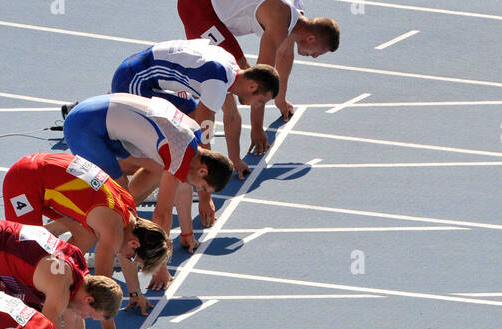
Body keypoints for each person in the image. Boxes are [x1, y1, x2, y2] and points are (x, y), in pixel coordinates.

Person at [1, 152, 170, 329]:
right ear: (135, 243)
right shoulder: (112, 229)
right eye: (135, 259)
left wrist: (135, 293)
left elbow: (87, 209)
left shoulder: (128, 212)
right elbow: (102, 287)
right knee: (28, 260)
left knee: (86, 236)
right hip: (25, 180)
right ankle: (29, 306)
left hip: (45, 170)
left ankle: (54, 285)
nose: (129, 261)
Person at [62, 94, 233, 263]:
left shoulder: (194, 136)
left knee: (157, 173)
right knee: (120, 206)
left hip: (96, 112)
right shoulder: (179, 155)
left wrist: (187, 233)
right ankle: (109, 251)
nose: (199, 190)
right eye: (203, 188)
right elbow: (162, 214)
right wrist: (161, 266)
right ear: (202, 171)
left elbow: (182, 188)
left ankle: (93, 225)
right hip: (85, 128)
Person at [112, 38, 280, 208]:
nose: (256, 106)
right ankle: (115, 178)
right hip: (133, 80)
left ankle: (152, 174)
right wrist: (205, 197)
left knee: (190, 116)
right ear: (252, 86)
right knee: (164, 146)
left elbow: (231, 116)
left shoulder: (228, 68)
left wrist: (235, 160)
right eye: (260, 101)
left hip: (144, 75)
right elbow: (204, 138)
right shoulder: (217, 83)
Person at [176, 0, 339, 154]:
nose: (315, 56)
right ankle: (203, 154)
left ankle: (219, 152)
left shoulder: (293, 12)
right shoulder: (279, 25)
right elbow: (260, 81)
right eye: (319, 51)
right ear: (311, 38)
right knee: (231, 83)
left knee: (238, 79)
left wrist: (280, 98)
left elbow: (285, 54)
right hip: (199, 9)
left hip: (212, 13)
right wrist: (257, 129)